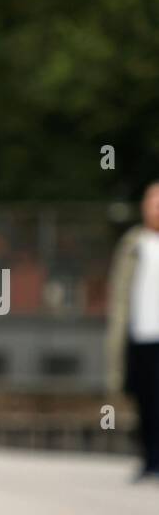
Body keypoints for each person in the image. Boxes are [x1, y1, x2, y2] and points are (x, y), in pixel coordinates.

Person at [107, 181, 159, 481]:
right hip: (140, 334)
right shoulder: (133, 244)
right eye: (153, 200)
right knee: (144, 399)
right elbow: (119, 294)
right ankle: (150, 459)